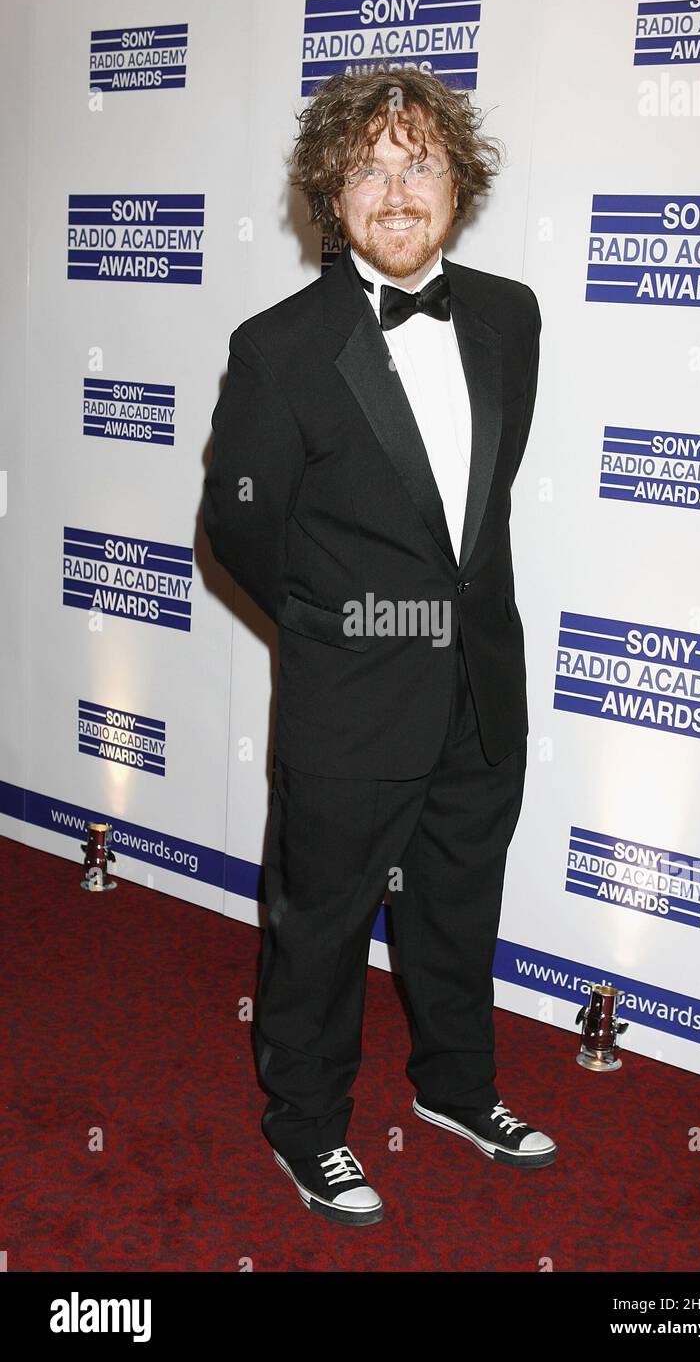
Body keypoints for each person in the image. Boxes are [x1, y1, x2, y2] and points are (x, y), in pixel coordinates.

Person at [202, 67, 555, 1227]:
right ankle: (306, 1125)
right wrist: (339, 631)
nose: (396, 190)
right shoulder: (278, 347)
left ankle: (457, 1088)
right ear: (329, 189)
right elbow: (242, 531)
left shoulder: (510, 314)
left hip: (479, 686)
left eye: (420, 163)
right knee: (322, 928)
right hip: (351, 699)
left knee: (461, 904)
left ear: (460, 182)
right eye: (368, 167)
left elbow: (476, 513)